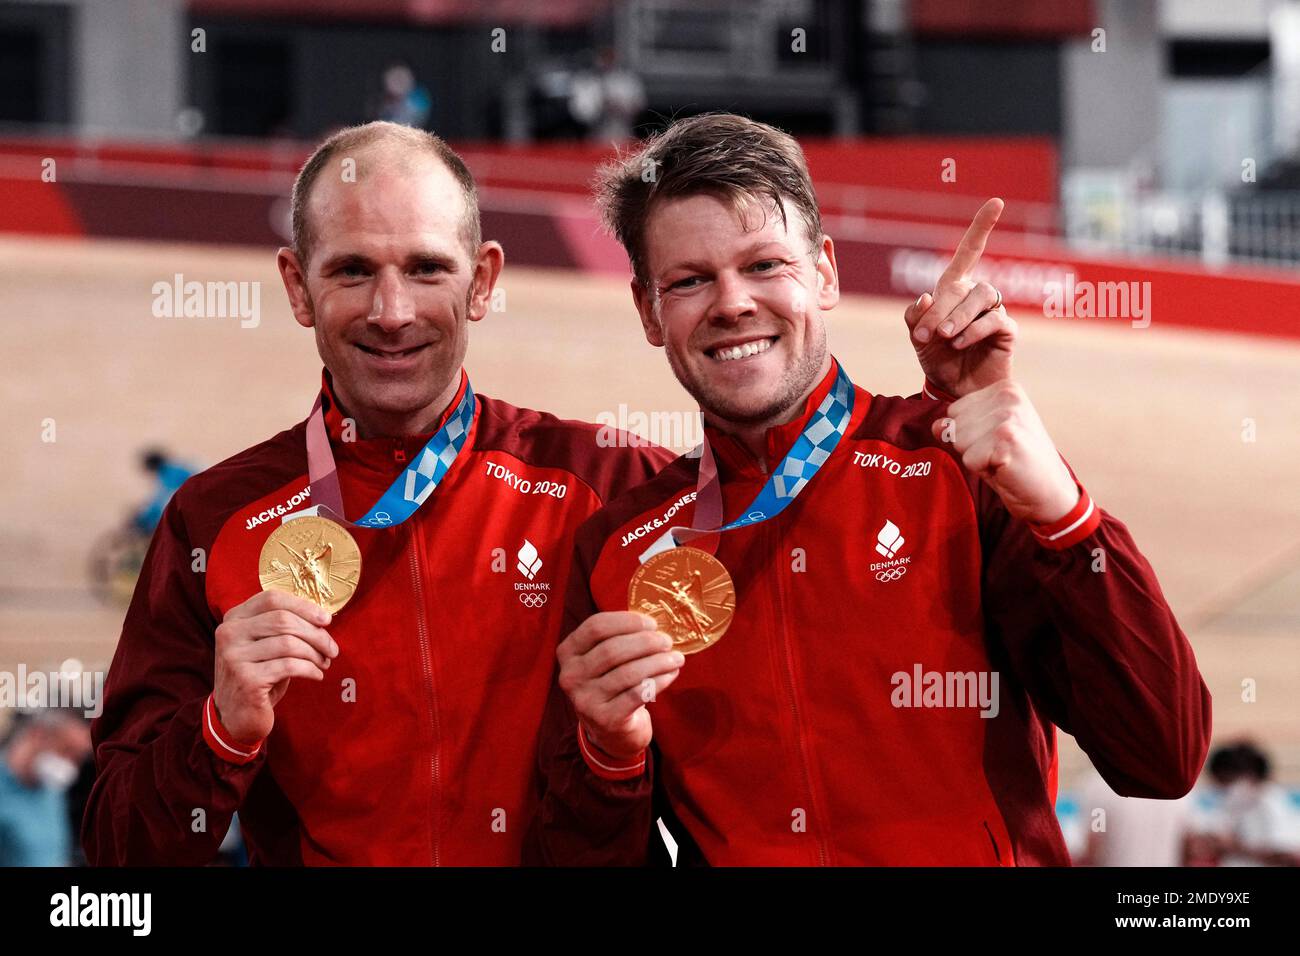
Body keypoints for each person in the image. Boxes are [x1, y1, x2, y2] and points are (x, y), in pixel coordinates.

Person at [82, 120, 987, 867]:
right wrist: (221, 732)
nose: (392, 310)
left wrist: (944, 414)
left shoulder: (613, 491)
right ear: (298, 286)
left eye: (429, 269)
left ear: (481, 283)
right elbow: (117, 865)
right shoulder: (212, 520)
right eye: (353, 269)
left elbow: (816, 556)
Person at [527, 113, 1212, 866]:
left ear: (823, 271)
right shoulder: (618, 551)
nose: (731, 303)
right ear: (648, 312)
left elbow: (1163, 755)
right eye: (689, 280)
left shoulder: (955, 469)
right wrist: (608, 759)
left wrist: (1065, 514)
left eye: (763, 266)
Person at [0, 710, 92, 866]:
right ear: (38, 734)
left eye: (78, 759)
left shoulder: (53, 791)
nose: (71, 765)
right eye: (66, 751)